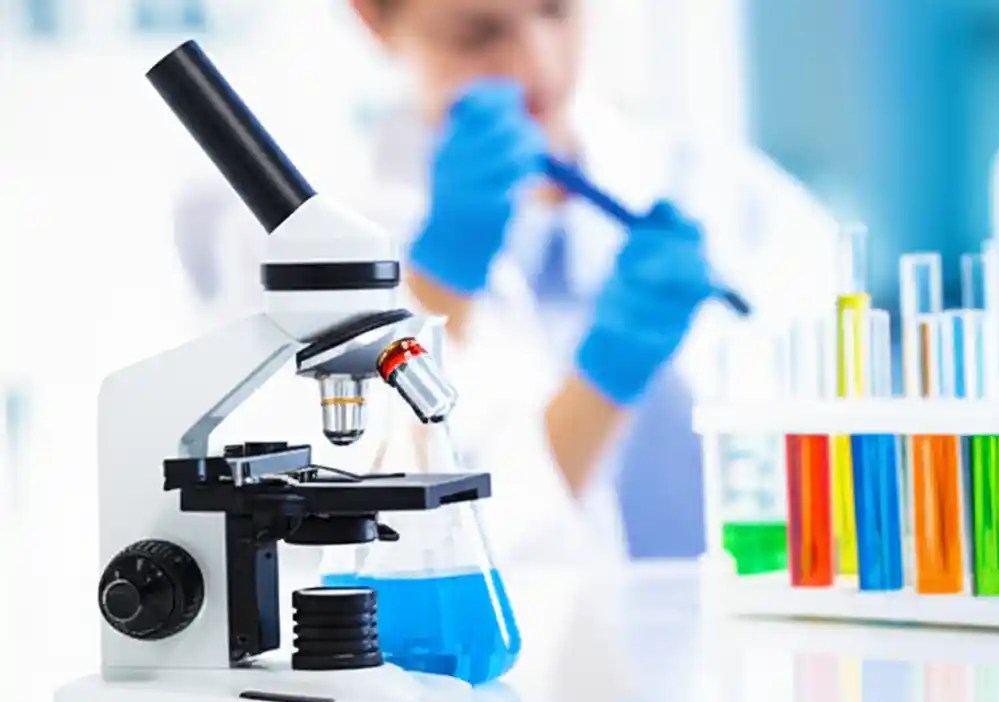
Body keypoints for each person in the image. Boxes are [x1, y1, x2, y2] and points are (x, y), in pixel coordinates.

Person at [184, 0, 836, 570]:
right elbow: (385, 545)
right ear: (371, 16)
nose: (537, 66)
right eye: (477, 34)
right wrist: (436, 287)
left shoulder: (739, 201)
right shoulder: (304, 241)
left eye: (556, 9)